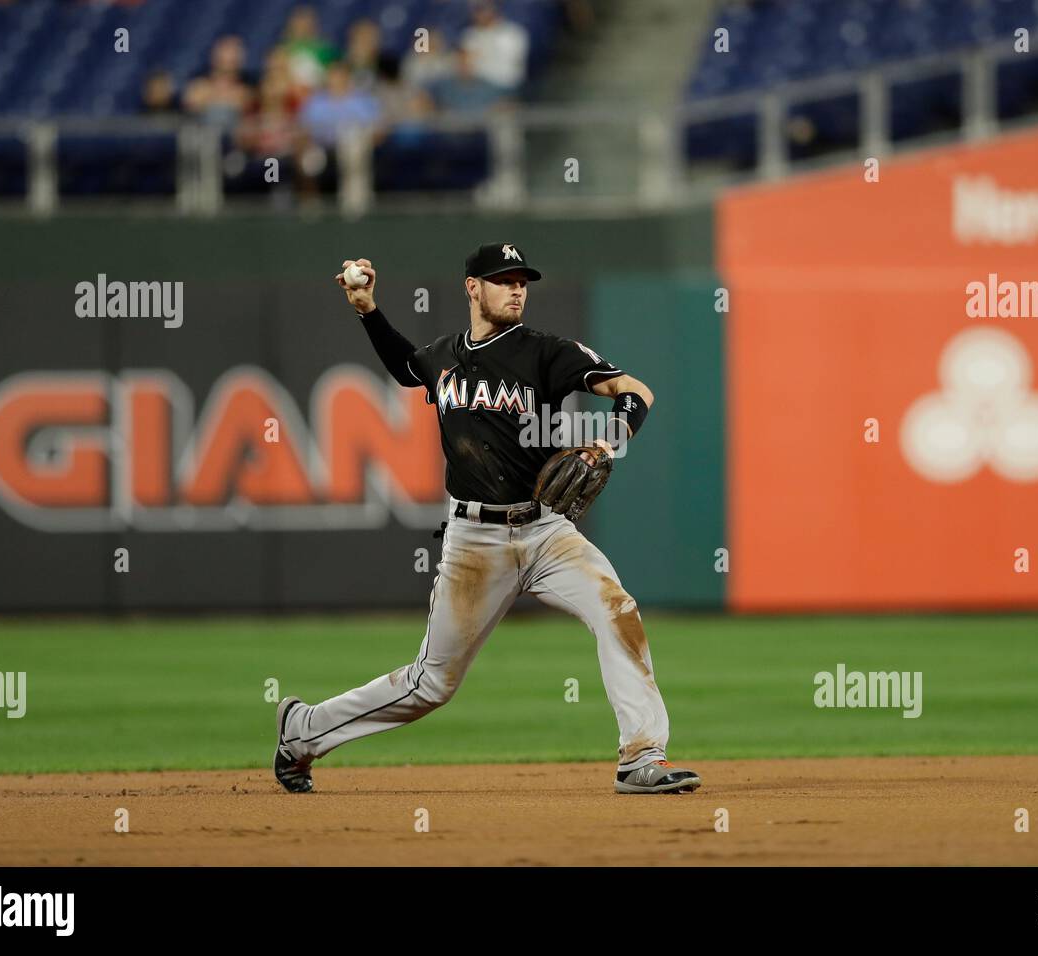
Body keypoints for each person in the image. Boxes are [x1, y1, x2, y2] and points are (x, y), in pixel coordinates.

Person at [272, 244, 702, 796]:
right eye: (503, 280)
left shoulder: (546, 352)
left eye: (522, 280)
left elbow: (634, 390)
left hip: (546, 529)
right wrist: (367, 309)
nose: (517, 288)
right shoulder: (444, 355)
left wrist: (604, 444)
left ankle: (642, 756)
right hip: (475, 540)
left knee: (617, 609)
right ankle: (302, 732)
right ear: (473, 288)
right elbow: (407, 369)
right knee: (431, 685)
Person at [182, 34, 254, 129]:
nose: (230, 57)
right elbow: (191, 102)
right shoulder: (198, 82)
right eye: (226, 51)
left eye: (235, 52)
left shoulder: (250, 84)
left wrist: (211, 99)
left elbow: (250, 103)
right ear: (215, 55)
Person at [460, 0, 529, 92]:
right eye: (476, 10)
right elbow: (465, 65)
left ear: (494, 9)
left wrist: (477, 65)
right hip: (476, 85)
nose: (478, 14)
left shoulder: (512, 33)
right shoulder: (470, 34)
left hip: (504, 85)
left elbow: (511, 70)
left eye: (482, 9)